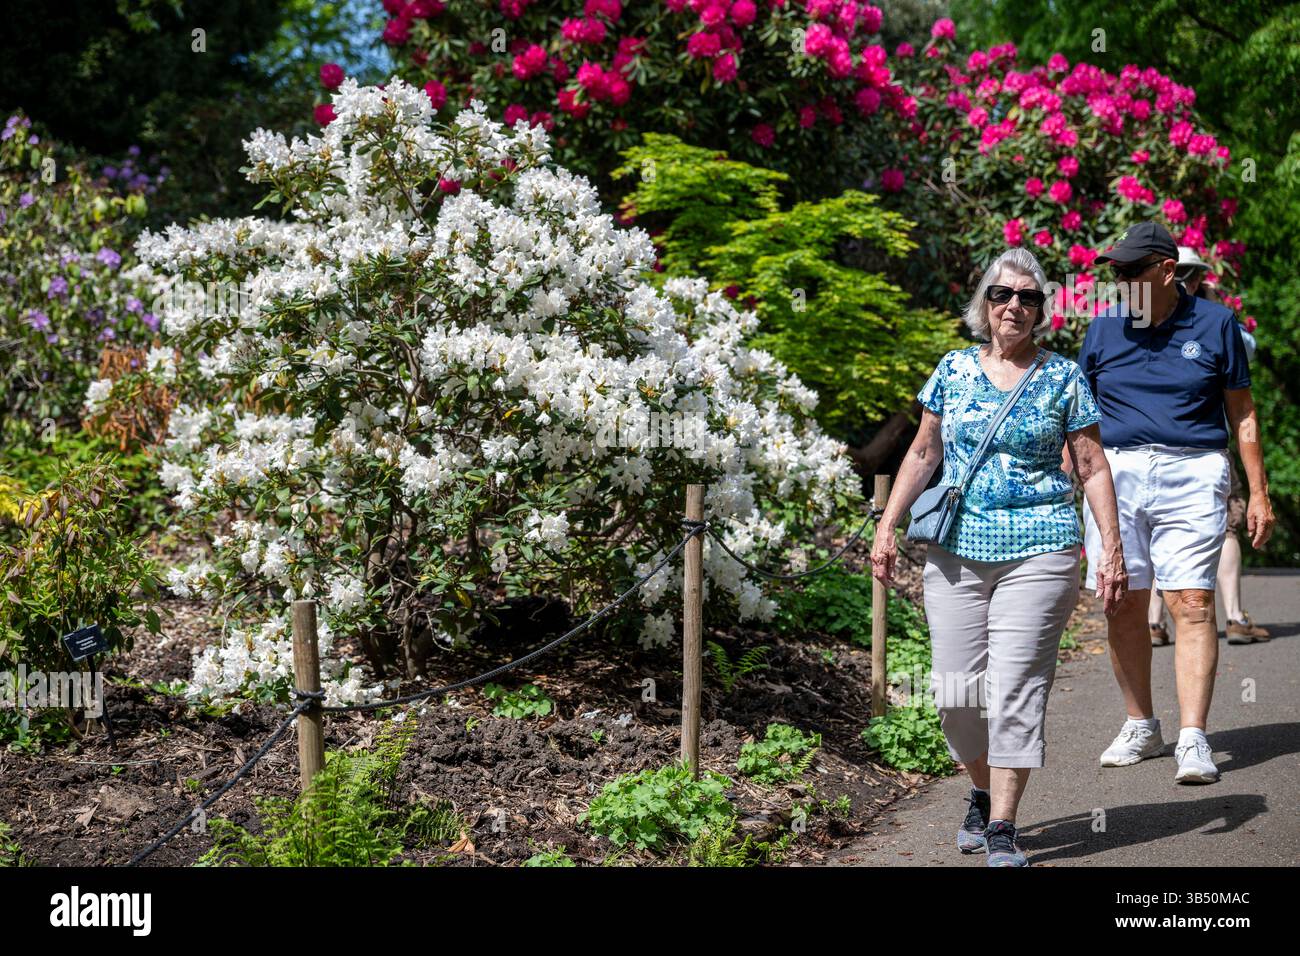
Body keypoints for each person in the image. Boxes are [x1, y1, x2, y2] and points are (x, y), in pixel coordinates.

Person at [871, 248, 1126, 867]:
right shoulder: (953, 369)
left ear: (1042, 311)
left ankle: (1004, 827)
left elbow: (1091, 466)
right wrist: (887, 524)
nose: (1013, 306)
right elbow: (923, 453)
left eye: (1028, 297)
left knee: (1014, 688)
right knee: (955, 695)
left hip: (1041, 547)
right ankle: (982, 791)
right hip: (956, 548)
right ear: (983, 304)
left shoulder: (1064, 377)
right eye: (1002, 295)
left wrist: (1110, 549)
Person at [1078, 222, 1275, 785]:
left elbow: (1242, 413)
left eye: (1131, 271)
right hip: (1116, 475)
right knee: (1122, 602)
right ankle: (1142, 724)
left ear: (1167, 269)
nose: (1120, 282)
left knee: (1191, 603)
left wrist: (1259, 491)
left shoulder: (1216, 324)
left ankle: (1193, 737)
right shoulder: (1104, 328)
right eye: (1114, 273)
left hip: (1194, 471)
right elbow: (1080, 416)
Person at [1150, 247, 1271, 645]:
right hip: (1206, 447)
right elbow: (1247, 351)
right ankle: (1234, 616)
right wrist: (1214, 305)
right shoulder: (1215, 322)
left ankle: (1154, 622)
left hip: (1149, 446)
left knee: (1153, 527)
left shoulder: (1145, 319)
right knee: (1228, 526)